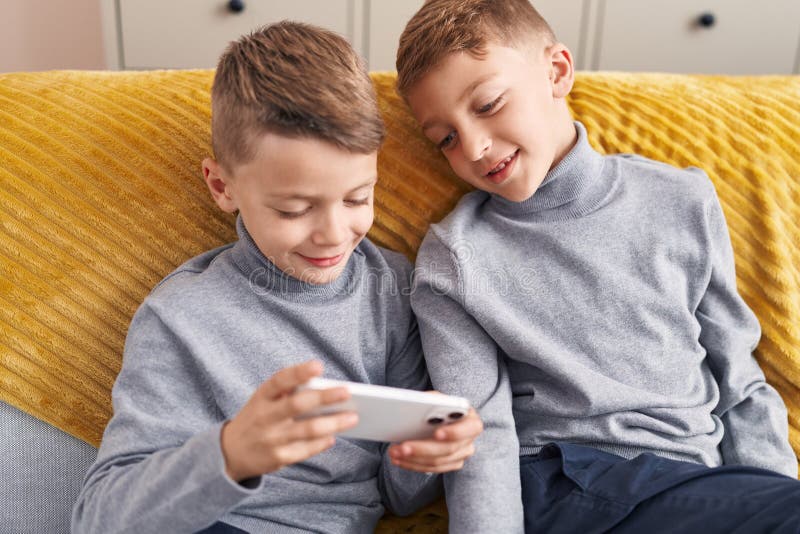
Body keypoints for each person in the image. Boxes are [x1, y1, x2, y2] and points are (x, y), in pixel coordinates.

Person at [395, 1, 800, 532]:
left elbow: (739, 384)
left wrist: (774, 496)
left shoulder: (682, 199)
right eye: (444, 138)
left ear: (557, 72)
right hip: (566, 480)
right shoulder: (457, 258)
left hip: (695, 485)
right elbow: (481, 432)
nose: (473, 146)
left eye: (489, 104)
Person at [72, 21, 483, 534]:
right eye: (294, 210)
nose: (335, 234)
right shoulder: (181, 315)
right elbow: (98, 520)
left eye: (358, 199)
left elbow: (397, 498)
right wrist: (232, 454)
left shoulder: (394, 292)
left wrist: (427, 456)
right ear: (222, 186)